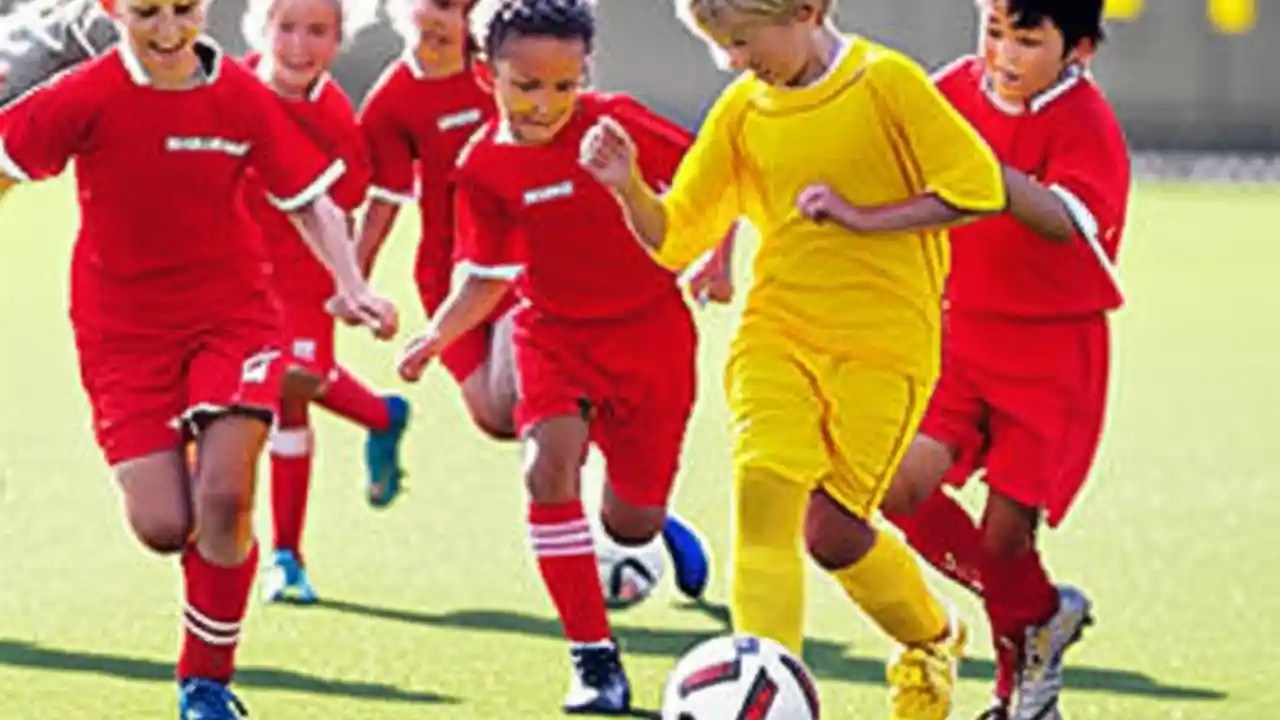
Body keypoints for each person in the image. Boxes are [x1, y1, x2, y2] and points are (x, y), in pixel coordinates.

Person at [579, 0, 1009, 716]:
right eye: (720, 47)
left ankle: (933, 636)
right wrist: (627, 186)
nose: (734, 61)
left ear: (807, 10)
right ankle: (762, 697)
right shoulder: (744, 108)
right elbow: (676, 237)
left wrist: (861, 216)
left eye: (743, 41)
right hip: (774, 333)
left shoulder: (886, 83)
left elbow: (978, 188)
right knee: (763, 501)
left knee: (834, 533)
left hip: (885, 347)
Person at [0, 0, 397, 717]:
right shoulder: (83, 94)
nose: (168, 30)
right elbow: (7, 162)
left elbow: (309, 199)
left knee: (225, 496)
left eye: (184, 10)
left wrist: (353, 285)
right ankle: (200, 498)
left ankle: (205, 684)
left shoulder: (241, 95)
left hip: (233, 318)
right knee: (163, 527)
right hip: (121, 332)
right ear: (112, 10)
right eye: (147, 12)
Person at [396, 0, 715, 712]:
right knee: (547, 469)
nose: (547, 104)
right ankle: (594, 660)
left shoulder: (616, 125)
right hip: (552, 335)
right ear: (487, 76)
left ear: (586, 76)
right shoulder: (482, 168)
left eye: (564, 86)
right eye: (527, 85)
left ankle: (652, 524)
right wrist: (440, 335)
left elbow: (707, 176)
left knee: (630, 521)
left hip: (651, 337)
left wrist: (714, 259)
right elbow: (486, 276)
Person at [881, 2, 1131, 717]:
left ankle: (1019, 694)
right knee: (899, 489)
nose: (1002, 53)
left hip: (1051, 354)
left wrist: (979, 170)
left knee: (1005, 537)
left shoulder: (1087, 122)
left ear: (1078, 49)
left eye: (1027, 40)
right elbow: (887, 145)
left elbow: (1064, 222)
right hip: (957, 340)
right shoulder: (951, 90)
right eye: (992, 30)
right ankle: (1041, 611)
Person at [239, 0, 411, 602]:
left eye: (318, 31)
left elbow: (342, 202)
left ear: (340, 40)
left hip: (302, 276)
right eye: (287, 27)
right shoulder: (231, 89)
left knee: (292, 386)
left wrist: (351, 287)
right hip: (232, 273)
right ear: (262, 29)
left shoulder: (334, 116)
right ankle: (381, 415)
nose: (299, 45)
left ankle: (285, 555)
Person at [357, 0, 519, 460]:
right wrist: (355, 279)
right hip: (446, 272)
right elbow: (385, 197)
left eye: (460, 10)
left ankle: (617, 518)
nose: (445, 21)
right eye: (438, 4)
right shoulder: (391, 100)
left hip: (517, 261)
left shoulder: (505, 72)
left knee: (529, 397)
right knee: (495, 417)